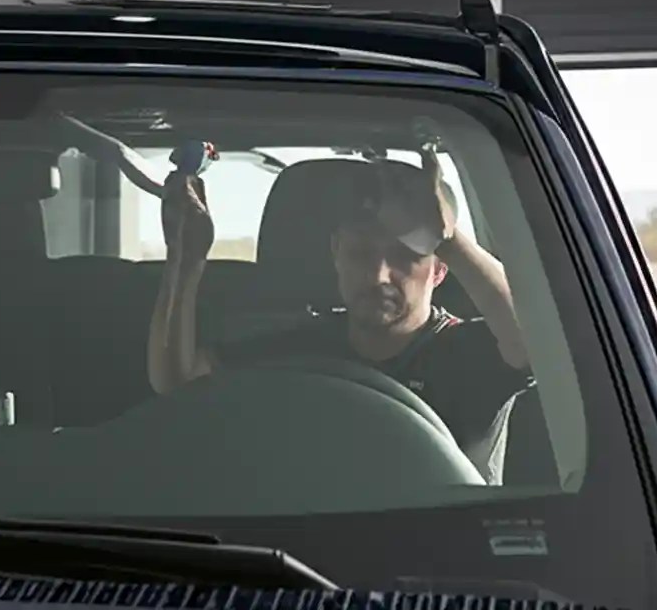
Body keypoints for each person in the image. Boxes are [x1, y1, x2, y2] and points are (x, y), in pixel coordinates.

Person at [146, 149, 533, 484]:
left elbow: (541, 345)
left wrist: (449, 240)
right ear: (335, 254)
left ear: (439, 269)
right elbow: (178, 383)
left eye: (405, 256)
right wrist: (186, 257)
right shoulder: (301, 350)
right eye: (361, 254)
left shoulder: (468, 353)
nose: (379, 275)